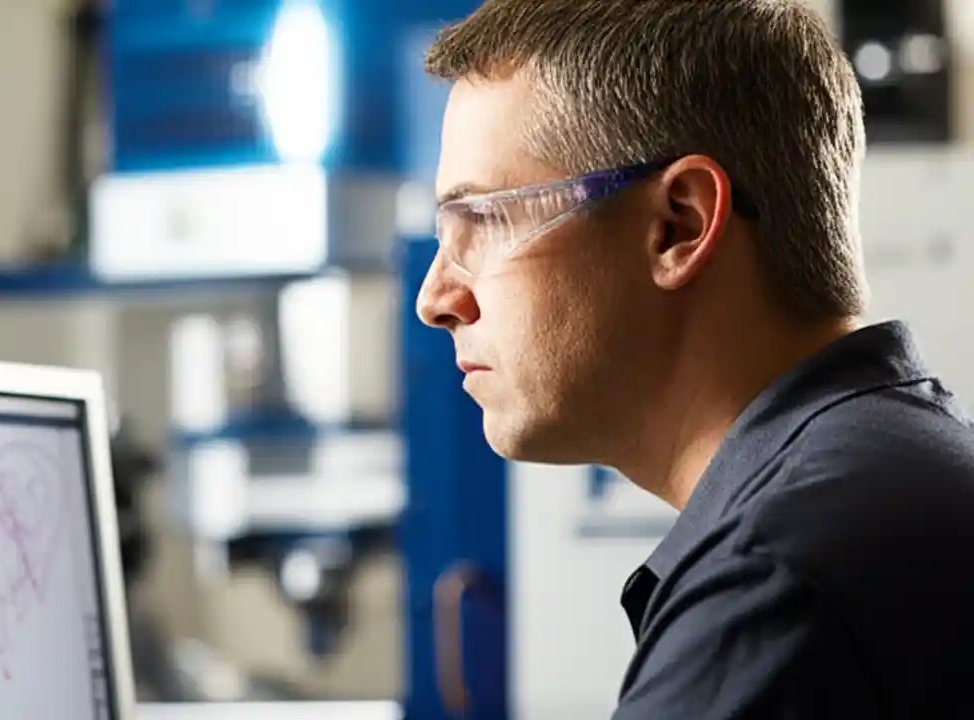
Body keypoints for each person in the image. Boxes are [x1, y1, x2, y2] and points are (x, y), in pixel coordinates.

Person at [415, 0, 974, 717]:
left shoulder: (778, 581)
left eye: (485, 220)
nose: (436, 298)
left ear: (678, 225)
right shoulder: (892, 472)